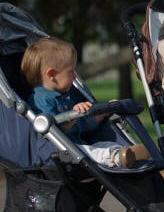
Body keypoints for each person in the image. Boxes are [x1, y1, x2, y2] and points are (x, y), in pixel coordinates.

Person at [21, 37, 150, 168]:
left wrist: (103, 112)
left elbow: (81, 127)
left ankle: (126, 153)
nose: (75, 76)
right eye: (71, 71)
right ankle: (118, 157)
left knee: (102, 146)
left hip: (79, 146)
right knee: (91, 152)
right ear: (52, 74)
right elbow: (53, 133)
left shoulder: (64, 96)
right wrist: (71, 116)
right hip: (61, 153)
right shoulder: (40, 100)